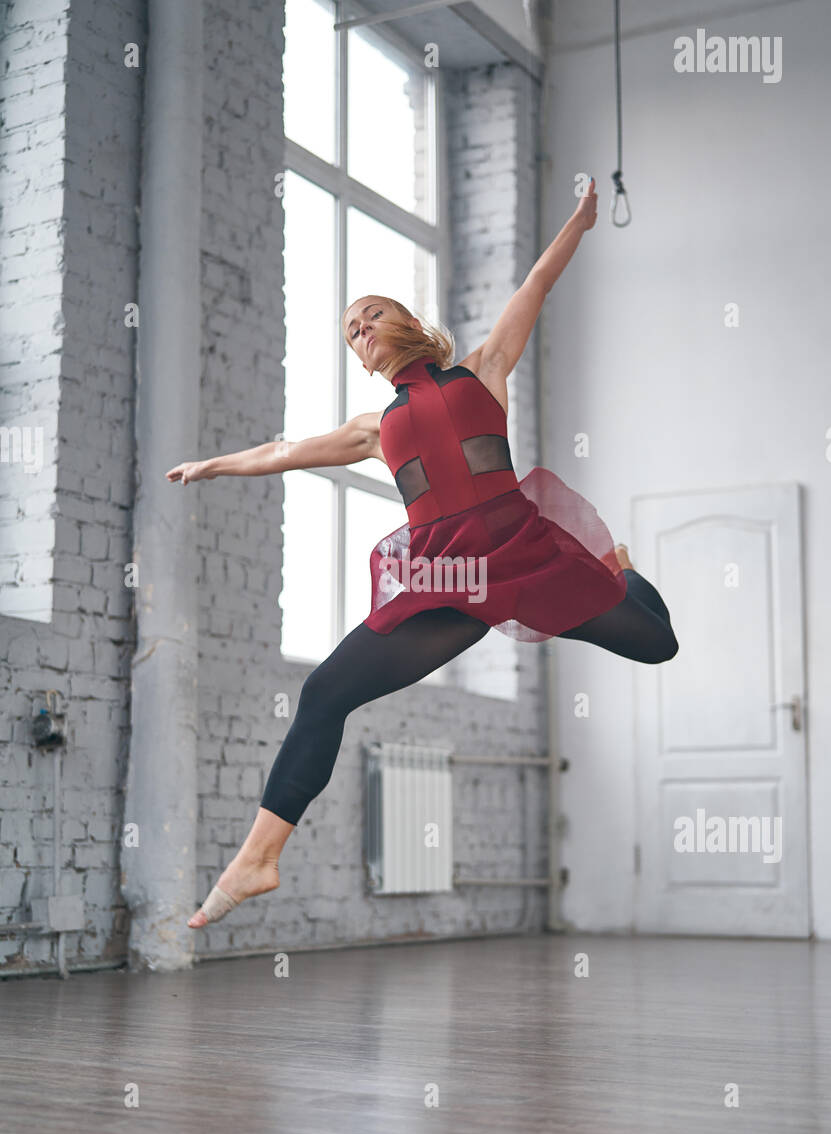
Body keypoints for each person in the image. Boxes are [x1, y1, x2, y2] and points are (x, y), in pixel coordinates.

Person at [166, 180, 678, 928]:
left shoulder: (482, 371)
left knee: (658, 643)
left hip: (523, 555)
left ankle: (621, 570)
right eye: (350, 331)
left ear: (406, 320)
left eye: (371, 313)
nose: (362, 327)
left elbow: (535, 281)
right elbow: (284, 450)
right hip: (447, 577)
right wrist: (211, 465)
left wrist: (579, 221)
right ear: (363, 360)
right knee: (324, 694)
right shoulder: (374, 427)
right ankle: (259, 858)